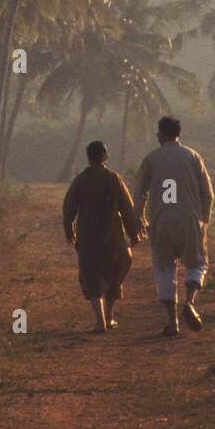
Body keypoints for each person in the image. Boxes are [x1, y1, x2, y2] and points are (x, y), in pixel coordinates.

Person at [133, 116, 214, 338]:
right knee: (197, 263)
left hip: (161, 221)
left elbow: (139, 194)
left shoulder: (151, 159)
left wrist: (139, 219)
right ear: (179, 134)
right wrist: (203, 221)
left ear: (161, 135)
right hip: (189, 219)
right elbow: (208, 194)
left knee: (164, 269)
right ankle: (190, 302)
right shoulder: (192, 156)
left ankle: (172, 322)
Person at [63, 140, 141, 333]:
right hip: (113, 240)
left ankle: (100, 321)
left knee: (92, 280)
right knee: (114, 276)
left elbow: (69, 207)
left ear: (89, 158)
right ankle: (109, 316)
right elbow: (128, 208)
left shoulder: (81, 180)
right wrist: (134, 234)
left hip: (88, 239)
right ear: (105, 157)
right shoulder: (115, 179)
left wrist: (69, 231)